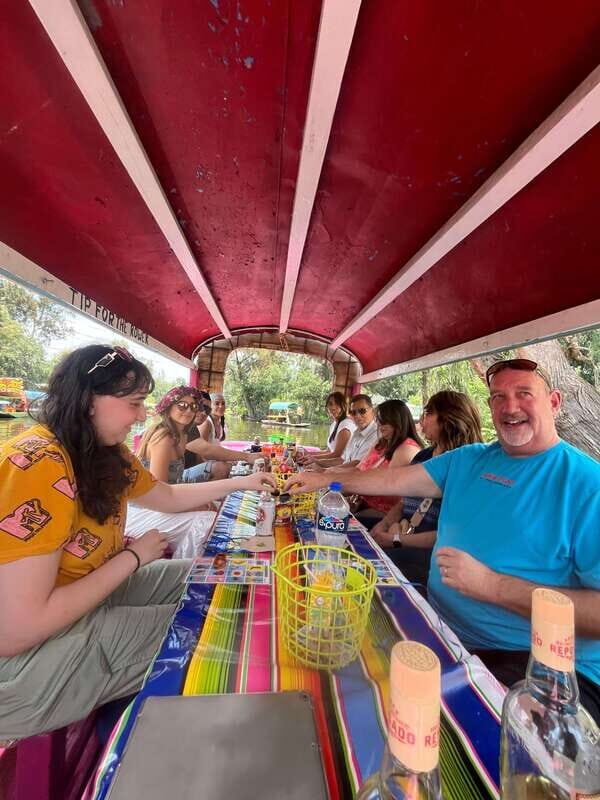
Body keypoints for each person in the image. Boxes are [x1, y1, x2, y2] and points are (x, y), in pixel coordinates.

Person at [286, 359, 600, 723]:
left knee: (410, 724)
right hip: (440, 627)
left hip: (537, 666)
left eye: (524, 394)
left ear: (555, 402)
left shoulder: (586, 485)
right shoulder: (470, 459)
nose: (509, 407)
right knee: (330, 662)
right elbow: (394, 481)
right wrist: (327, 480)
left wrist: (493, 586)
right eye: (498, 397)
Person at [0, 345, 275, 740]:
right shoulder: (39, 463)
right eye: (134, 403)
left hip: (79, 601)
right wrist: (132, 556)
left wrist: (243, 481)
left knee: (214, 575)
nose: (143, 415)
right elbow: (17, 629)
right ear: (89, 401)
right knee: (209, 626)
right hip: (25, 660)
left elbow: (167, 496)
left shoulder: (104, 451)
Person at [370, 391, 483, 586]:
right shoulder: (423, 456)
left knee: (369, 568)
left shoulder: (469, 467)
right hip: (402, 532)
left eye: (429, 413)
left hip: (431, 554)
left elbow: (451, 534)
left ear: (449, 418)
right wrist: (385, 524)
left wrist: (395, 540)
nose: (422, 420)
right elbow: (404, 502)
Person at [351, 399, 422, 527]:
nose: (380, 425)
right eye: (379, 420)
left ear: (398, 421)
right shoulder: (382, 443)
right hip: (363, 503)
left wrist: (339, 483)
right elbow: (359, 469)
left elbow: (382, 486)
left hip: (387, 513)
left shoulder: (407, 448)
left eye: (385, 421)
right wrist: (329, 474)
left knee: (344, 522)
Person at [311, 394, 379, 469]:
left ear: (373, 411)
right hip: (344, 474)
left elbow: (357, 465)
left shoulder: (376, 435)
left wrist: (325, 471)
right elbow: (343, 460)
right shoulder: (356, 433)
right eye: (353, 412)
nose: (357, 416)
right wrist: (316, 461)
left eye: (362, 411)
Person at [299, 392, 355, 464]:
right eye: (330, 404)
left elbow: (336, 455)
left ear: (343, 406)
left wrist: (313, 458)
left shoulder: (345, 426)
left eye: (337, 404)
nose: (333, 408)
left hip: (341, 465)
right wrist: (307, 454)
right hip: (331, 462)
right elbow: (328, 451)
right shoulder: (334, 424)